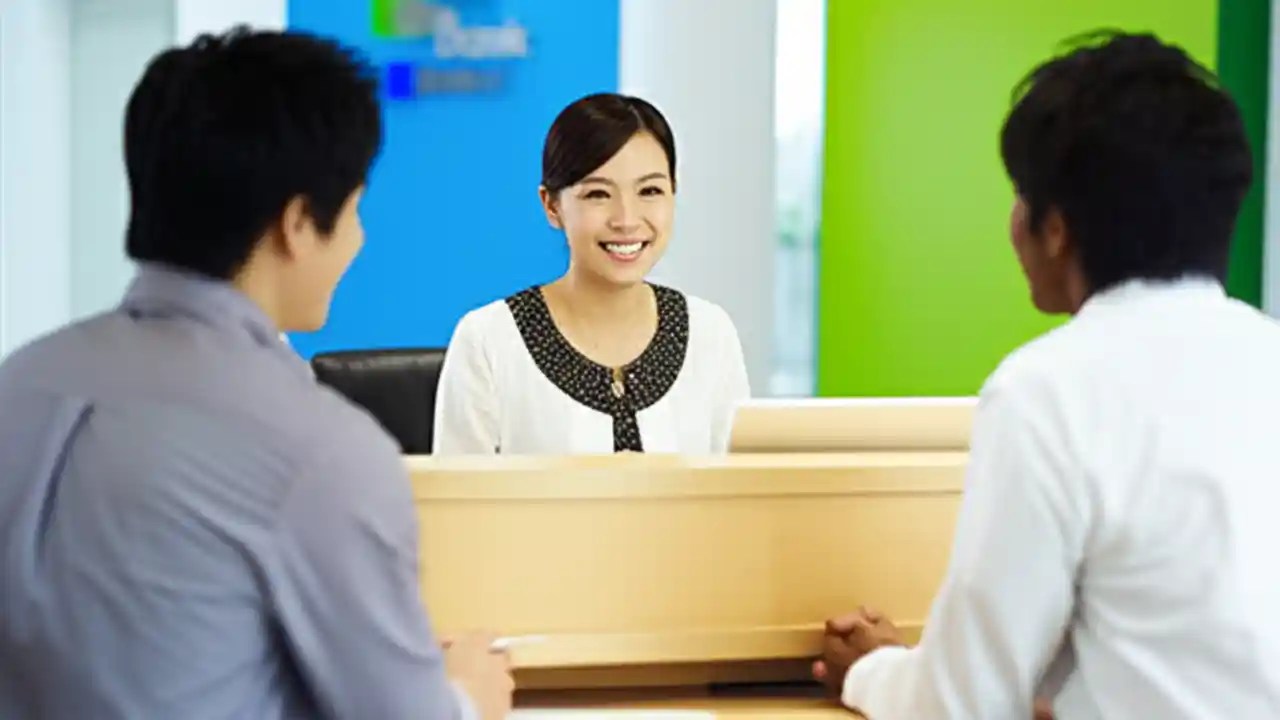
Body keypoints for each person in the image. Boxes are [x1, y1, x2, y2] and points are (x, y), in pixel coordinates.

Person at [0, 28, 511, 720]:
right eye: (354, 210)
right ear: (298, 224)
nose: (358, 238)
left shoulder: (21, 383)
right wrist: (470, 696)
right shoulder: (320, 449)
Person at [813, 31, 1280, 719]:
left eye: (1020, 196)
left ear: (1055, 228)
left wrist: (871, 671)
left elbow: (962, 704)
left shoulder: (1049, 390)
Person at [433, 92, 751, 455]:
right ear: (552, 206)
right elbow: (459, 491)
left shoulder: (710, 333)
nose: (626, 220)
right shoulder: (488, 341)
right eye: (598, 194)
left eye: (650, 190)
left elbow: (741, 484)